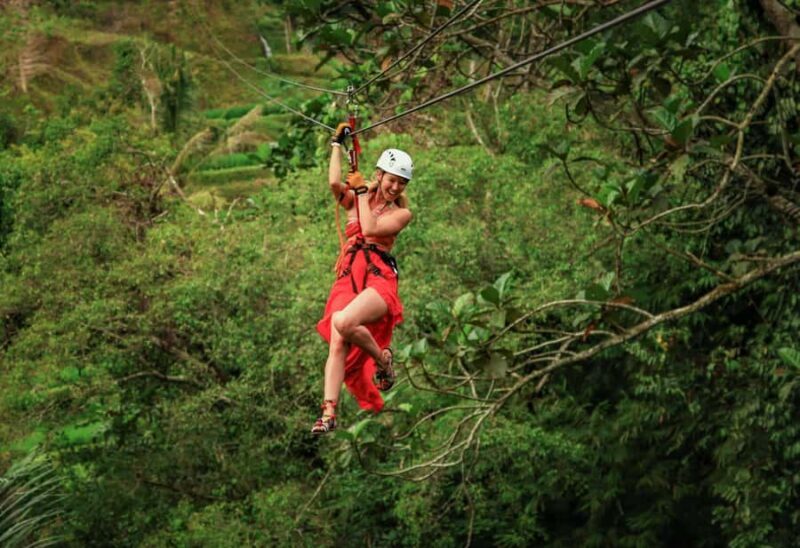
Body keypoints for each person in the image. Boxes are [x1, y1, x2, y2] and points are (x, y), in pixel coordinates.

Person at [312, 123, 414, 435]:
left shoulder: (401, 214)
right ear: (380, 175)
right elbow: (332, 183)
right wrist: (336, 145)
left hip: (378, 275)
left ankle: (383, 361)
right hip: (349, 273)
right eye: (391, 179)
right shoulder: (360, 196)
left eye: (401, 183)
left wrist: (359, 192)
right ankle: (329, 412)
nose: (395, 187)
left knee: (343, 322)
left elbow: (369, 230)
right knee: (338, 339)